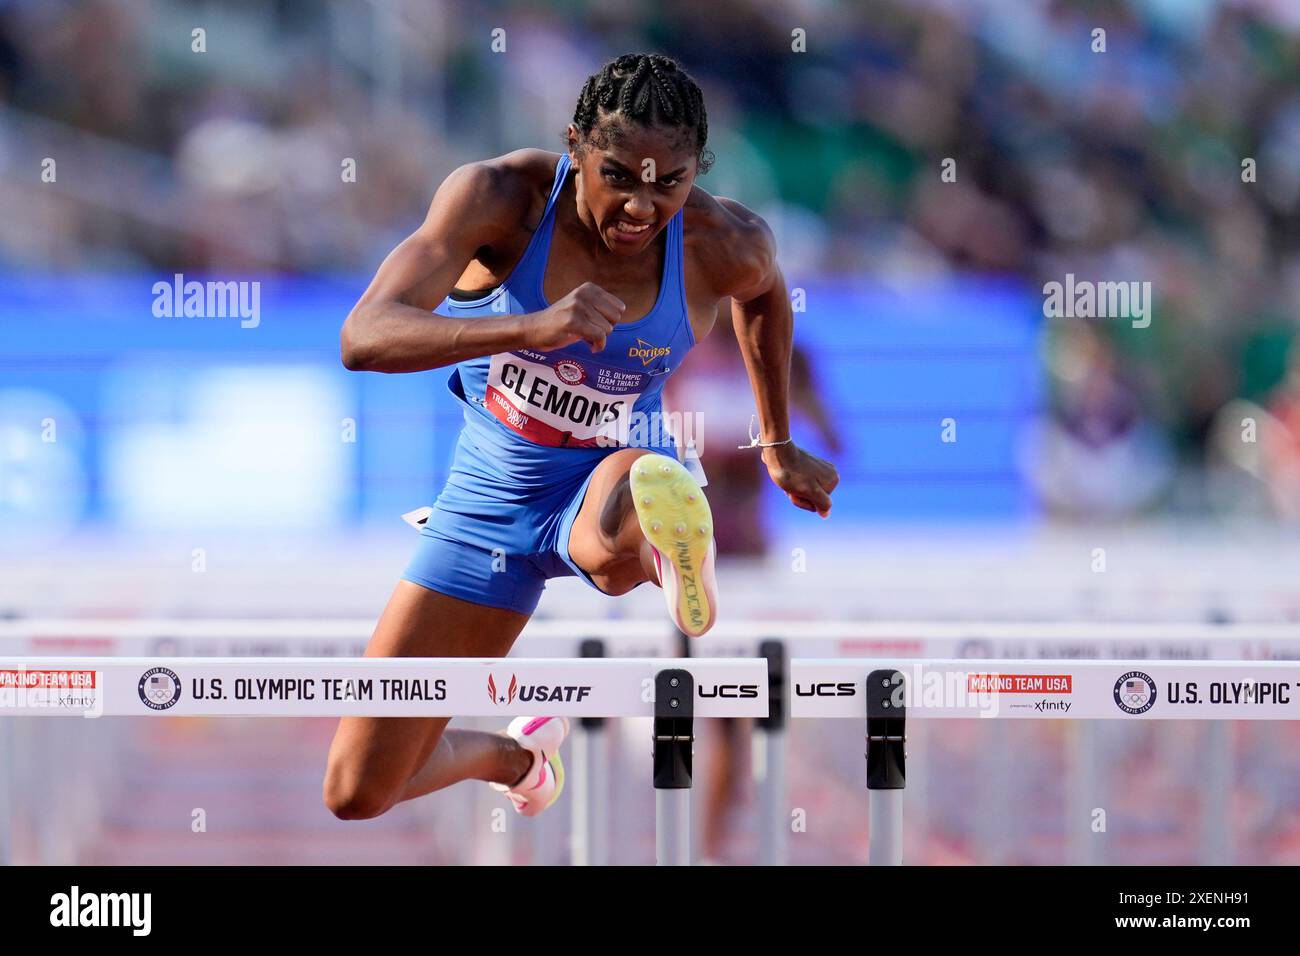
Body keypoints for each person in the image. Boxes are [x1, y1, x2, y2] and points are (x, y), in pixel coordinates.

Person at [323, 53, 839, 823]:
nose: (642, 206)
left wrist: (776, 440)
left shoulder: (718, 240)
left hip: (610, 471)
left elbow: (763, 292)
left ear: (699, 170)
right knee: (358, 790)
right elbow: (364, 335)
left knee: (626, 501)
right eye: (620, 176)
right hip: (486, 510)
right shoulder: (501, 198)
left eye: (670, 181)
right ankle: (516, 758)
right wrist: (532, 323)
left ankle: (657, 546)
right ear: (574, 148)